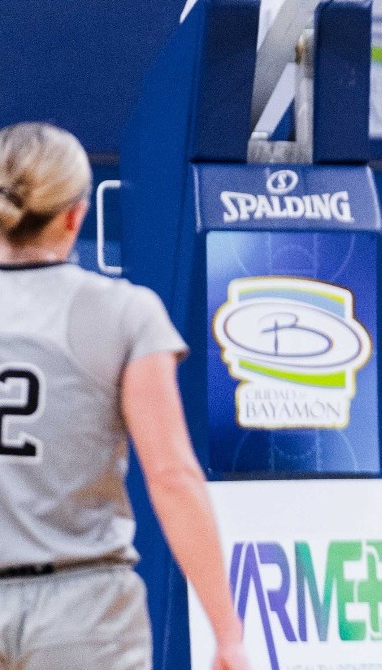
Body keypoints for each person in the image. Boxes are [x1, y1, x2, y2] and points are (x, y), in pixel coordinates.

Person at [0, 122, 249, 670]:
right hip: (81, 608)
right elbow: (172, 478)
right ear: (76, 214)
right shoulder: (124, 312)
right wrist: (227, 632)